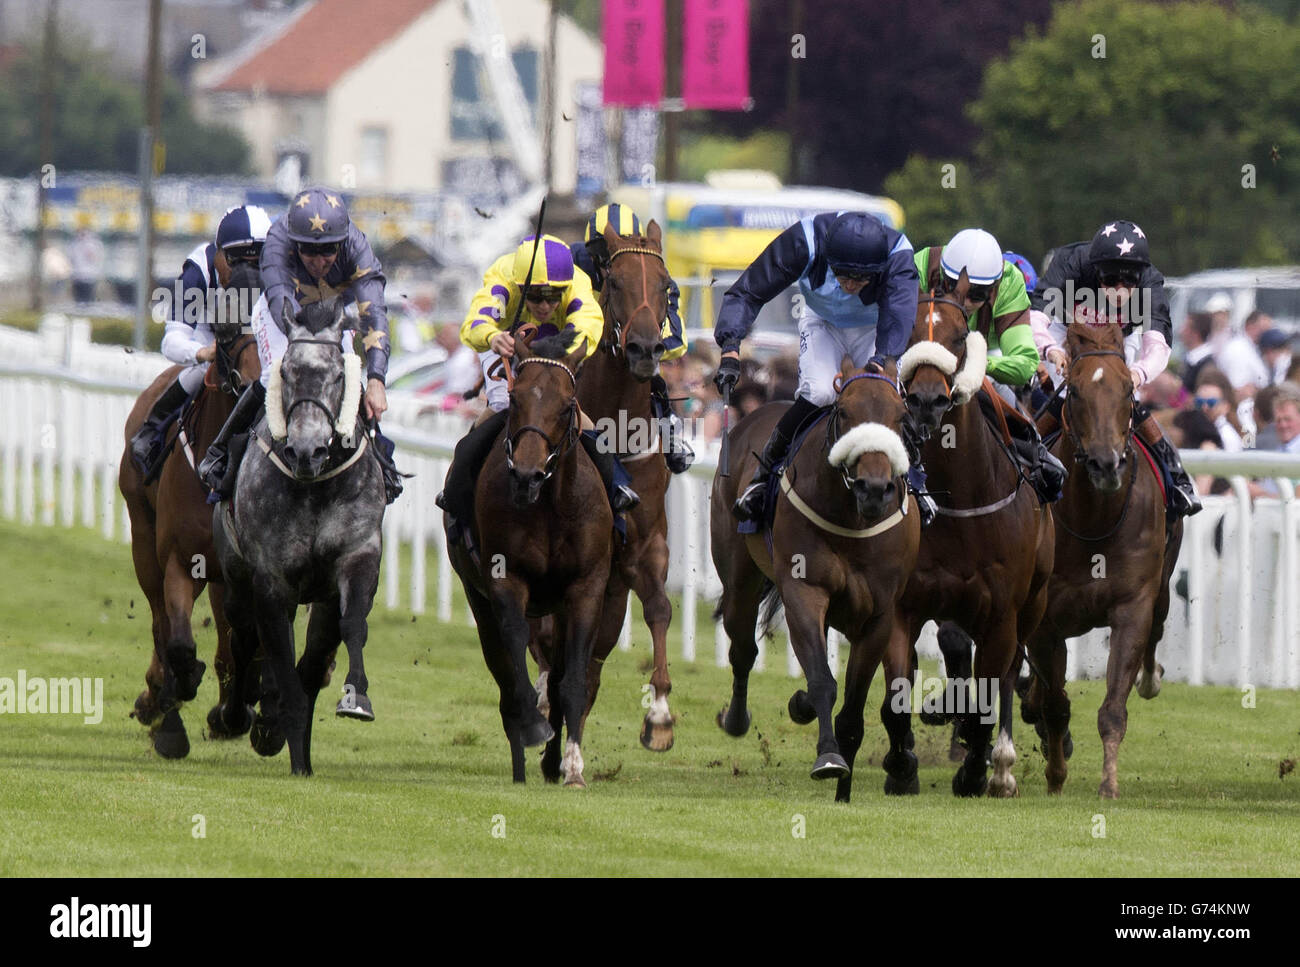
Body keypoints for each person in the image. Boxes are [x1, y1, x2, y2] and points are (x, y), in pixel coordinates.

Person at [711, 211, 924, 523]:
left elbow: (900, 316)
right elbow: (748, 291)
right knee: (820, 393)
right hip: (822, 321)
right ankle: (764, 474)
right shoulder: (803, 241)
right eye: (844, 276)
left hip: (875, 327)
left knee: (884, 398)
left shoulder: (898, 255)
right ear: (829, 258)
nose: (852, 286)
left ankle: (918, 481)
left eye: (862, 279)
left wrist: (884, 360)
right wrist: (730, 347)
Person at [198, 186, 403, 502]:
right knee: (276, 374)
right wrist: (308, 347)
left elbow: (374, 314)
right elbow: (281, 303)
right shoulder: (278, 242)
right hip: (282, 311)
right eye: (309, 251)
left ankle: (380, 457)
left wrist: (376, 379)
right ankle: (222, 452)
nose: (319, 261)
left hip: (333, 308)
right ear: (295, 243)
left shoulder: (358, 248)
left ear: (342, 242)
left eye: (328, 252)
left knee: (346, 371)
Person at [436, 234, 639, 540]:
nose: (545, 305)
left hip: (559, 341)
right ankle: (457, 489)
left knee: (564, 407)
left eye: (553, 296)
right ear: (520, 288)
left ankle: (616, 488)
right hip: (506, 339)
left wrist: (557, 352)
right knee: (504, 404)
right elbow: (475, 323)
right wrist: (493, 337)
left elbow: (588, 326)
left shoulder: (576, 280)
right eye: (535, 297)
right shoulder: (502, 275)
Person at [1031, 218, 1201, 517]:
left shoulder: (1151, 281)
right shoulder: (1069, 264)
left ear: (1142, 274)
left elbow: (1157, 343)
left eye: (1129, 280)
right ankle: (1027, 462)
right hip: (1069, 329)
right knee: (1066, 395)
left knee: (1125, 398)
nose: (1120, 290)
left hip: (1121, 337)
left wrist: (1138, 374)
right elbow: (1036, 317)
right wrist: (1051, 349)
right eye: (1110, 278)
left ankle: (1177, 479)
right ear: (1095, 269)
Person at [913, 232, 1065, 503]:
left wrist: (975, 361)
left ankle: (1038, 461)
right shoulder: (921, 266)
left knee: (1016, 417)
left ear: (993, 287)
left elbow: (1025, 363)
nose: (964, 302)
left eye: (978, 295)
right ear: (943, 276)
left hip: (980, 358)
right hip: (921, 356)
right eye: (952, 286)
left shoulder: (1009, 282)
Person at [129, 204, 271, 476]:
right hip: (210, 334)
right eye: (237, 261)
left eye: (256, 262)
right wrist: (204, 353)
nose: (247, 272)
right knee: (201, 371)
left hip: (258, 339)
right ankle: (152, 429)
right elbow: (172, 339)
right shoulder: (199, 270)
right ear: (218, 254)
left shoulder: (278, 269)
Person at [572, 203, 694, 474]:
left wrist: (639, 339)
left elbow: (676, 340)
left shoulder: (656, 278)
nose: (608, 259)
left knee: (652, 375)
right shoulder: (569, 264)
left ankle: (669, 430)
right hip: (581, 351)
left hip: (632, 353)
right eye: (600, 251)